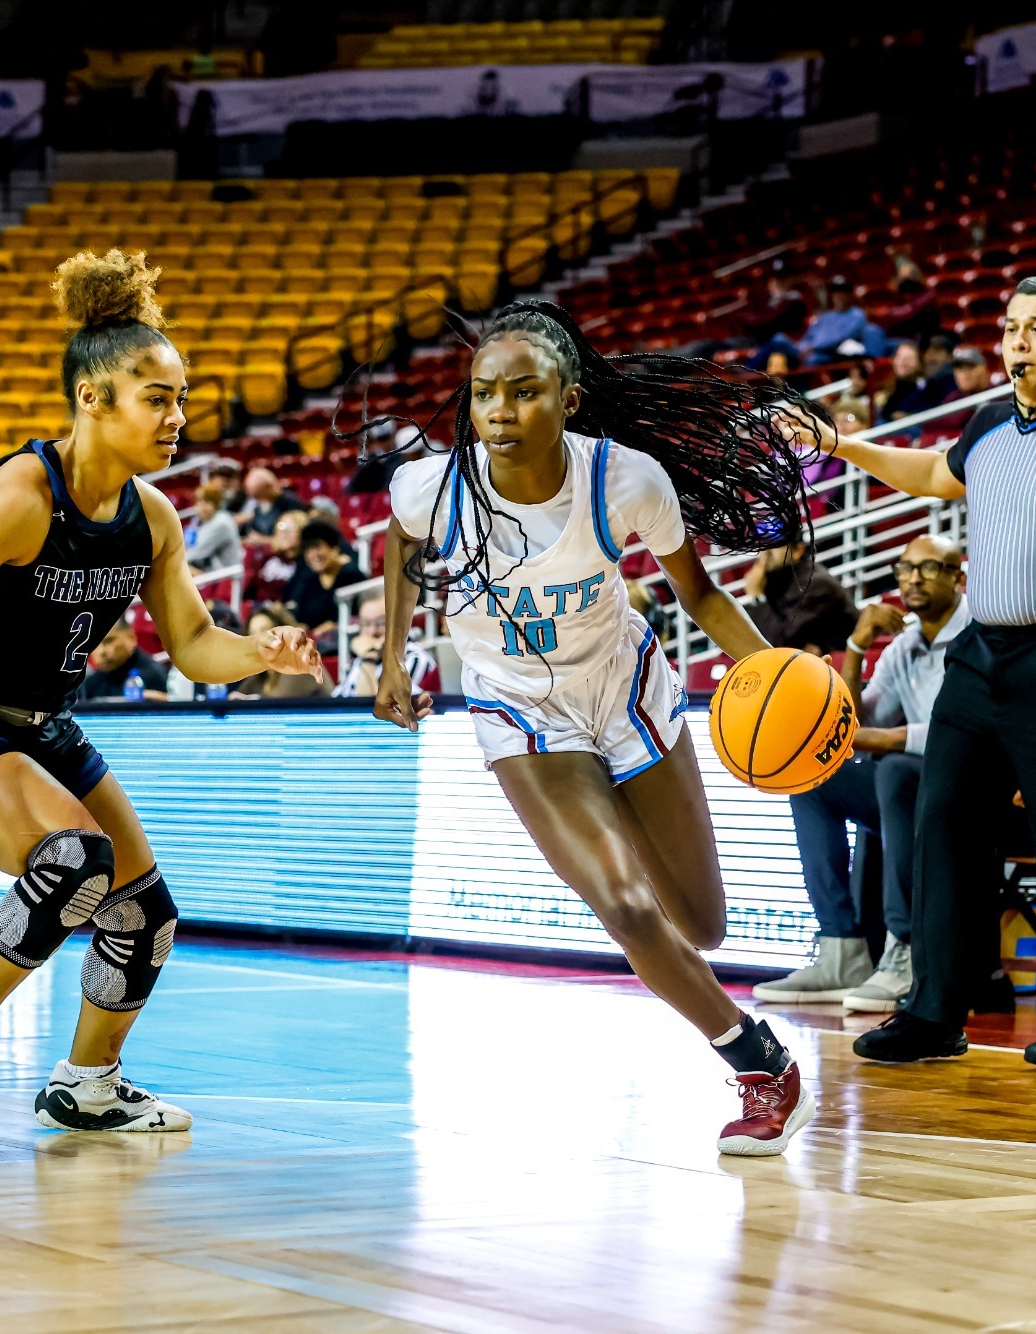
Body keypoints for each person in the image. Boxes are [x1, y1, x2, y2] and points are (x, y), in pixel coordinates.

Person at [0, 250, 322, 1133]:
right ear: (94, 398)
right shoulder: (19, 498)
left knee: (145, 915)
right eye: (157, 398)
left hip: (46, 726)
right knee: (75, 862)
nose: (177, 417)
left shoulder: (152, 518)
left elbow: (194, 645)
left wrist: (263, 652)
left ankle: (87, 1082)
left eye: (181, 397)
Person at [374, 299, 820, 1156]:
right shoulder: (431, 486)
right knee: (620, 904)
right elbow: (400, 543)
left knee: (702, 925)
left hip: (627, 691)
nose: (499, 412)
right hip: (520, 707)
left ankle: (655, 910)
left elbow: (700, 595)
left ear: (569, 400)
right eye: (483, 394)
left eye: (524, 392)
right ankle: (762, 1063)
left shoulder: (626, 480)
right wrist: (392, 659)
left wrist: (776, 674)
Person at [795, 273, 1036, 1074]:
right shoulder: (991, 420)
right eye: (1009, 329)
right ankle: (935, 1011)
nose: (1016, 343)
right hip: (980, 656)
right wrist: (839, 446)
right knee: (944, 829)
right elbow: (935, 475)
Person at [753, 536, 968, 1013]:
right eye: (904, 568)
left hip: (973, 789)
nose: (912, 578)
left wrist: (887, 741)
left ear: (958, 577)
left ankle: (906, 949)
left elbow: (968, 730)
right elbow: (851, 722)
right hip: (914, 788)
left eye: (928, 567)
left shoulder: (981, 634)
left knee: (894, 769)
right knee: (813, 777)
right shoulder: (906, 645)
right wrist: (855, 645)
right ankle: (841, 948)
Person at [741, 541, 857, 658]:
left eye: (776, 546)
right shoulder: (780, 579)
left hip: (839, 663)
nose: (766, 552)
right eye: (763, 545)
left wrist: (757, 597)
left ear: (798, 550)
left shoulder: (815, 584)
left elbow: (781, 639)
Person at [333, 594, 437, 699]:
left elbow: (382, 708)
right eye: (366, 624)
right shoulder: (359, 660)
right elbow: (336, 702)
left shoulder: (415, 658)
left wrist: (369, 658)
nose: (373, 631)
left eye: (381, 623)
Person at [283, 518, 365, 637]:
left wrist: (337, 626)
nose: (313, 555)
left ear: (334, 548)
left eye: (318, 547)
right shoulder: (309, 583)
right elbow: (303, 619)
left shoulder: (352, 577)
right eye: (308, 550)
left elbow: (366, 615)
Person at [231, 603, 329, 699]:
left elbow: (278, 706)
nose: (258, 639)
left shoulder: (300, 662)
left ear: (284, 633)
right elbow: (234, 698)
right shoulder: (261, 674)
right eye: (252, 633)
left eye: (265, 631)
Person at [76, 617, 170, 702]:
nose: (101, 652)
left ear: (131, 638)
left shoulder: (153, 675)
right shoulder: (91, 682)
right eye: (94, 644)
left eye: (109, 641)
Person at [237, 465, 305, 547]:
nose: (256, 499)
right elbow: (252, 531)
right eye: (254, 496)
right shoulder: (258, 507)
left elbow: (295, 539)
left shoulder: (290, 503)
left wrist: (263, 540)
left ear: (268, 487)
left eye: (258, 495)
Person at [184, 478, 243, 572]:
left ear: (216, 504)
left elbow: (196, 552)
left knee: (180, 569)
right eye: (198, 502)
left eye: (206, 502)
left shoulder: (221, 522)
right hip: (211, 572)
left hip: (227, 576)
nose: (200, 507)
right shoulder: (201, 522)